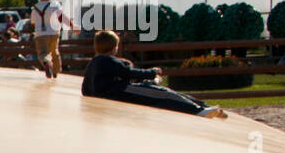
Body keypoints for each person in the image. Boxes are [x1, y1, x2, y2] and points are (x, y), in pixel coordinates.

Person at [82, 31, 227, 118]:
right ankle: (198, 110)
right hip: (120, 91)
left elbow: (86, 88)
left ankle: (203, 107)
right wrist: (152, 72)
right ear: (114, 47)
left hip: (118, 91)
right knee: (163, 94)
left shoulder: (95, 62)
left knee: (161, 92)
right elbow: (129, 73)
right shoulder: (108, 60)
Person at [31, 0, 76, 79]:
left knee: (43, 53)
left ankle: (47, 63)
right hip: (54, 33)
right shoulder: (55, 5)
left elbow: (33, 21)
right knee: (54, 52)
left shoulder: (36, 7)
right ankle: (55, 71)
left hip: (40, 34)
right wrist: (72, 26)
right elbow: (62, 17)